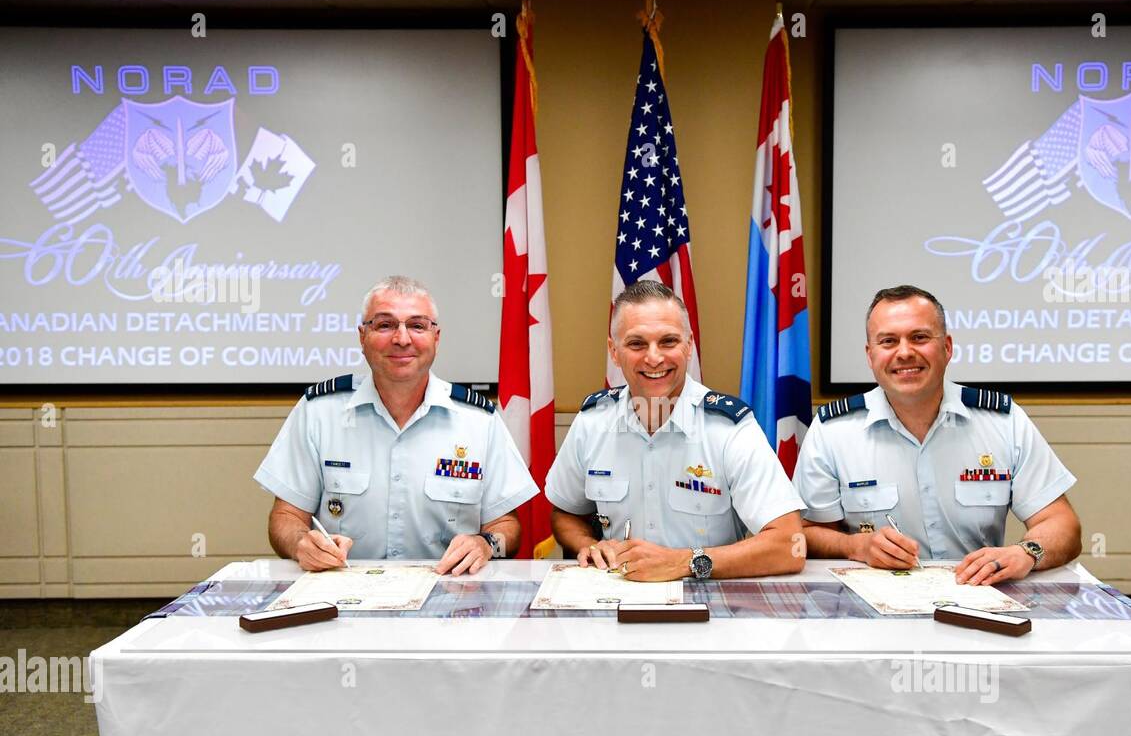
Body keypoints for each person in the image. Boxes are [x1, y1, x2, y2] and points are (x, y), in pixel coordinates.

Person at [793, 284, 1082, 585]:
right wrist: (855, 546)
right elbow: (804, 534)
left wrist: (1025, 552)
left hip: (979, 601)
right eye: (888, 341)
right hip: (873, 604)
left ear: (947, 347)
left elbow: (1063, 524)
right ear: (870, 355)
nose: (904, 352)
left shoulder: (1003, 421)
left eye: (919, 337)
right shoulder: (833, 431)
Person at [254, 275, 538, 574]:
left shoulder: (479, 420)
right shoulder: (319, 412)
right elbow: (285, 517)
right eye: (385, 325)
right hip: (341, 594)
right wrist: (300, 544)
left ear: (436, 338)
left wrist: (486, 543)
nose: (402, 339)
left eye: (417, 325)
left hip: (449, 600)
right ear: (362, 337)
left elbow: (507, 528)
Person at [545, 280, 805, 581]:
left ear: (689, 346)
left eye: (668, 341)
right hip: (615, 598)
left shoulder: (729, 429)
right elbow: (565, 513)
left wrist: (685, 562)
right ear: (613, 351)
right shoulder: (593, 422)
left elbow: (791, 545)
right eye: (636, 343)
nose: (654, 358)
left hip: (710, 607)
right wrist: (588, 545)